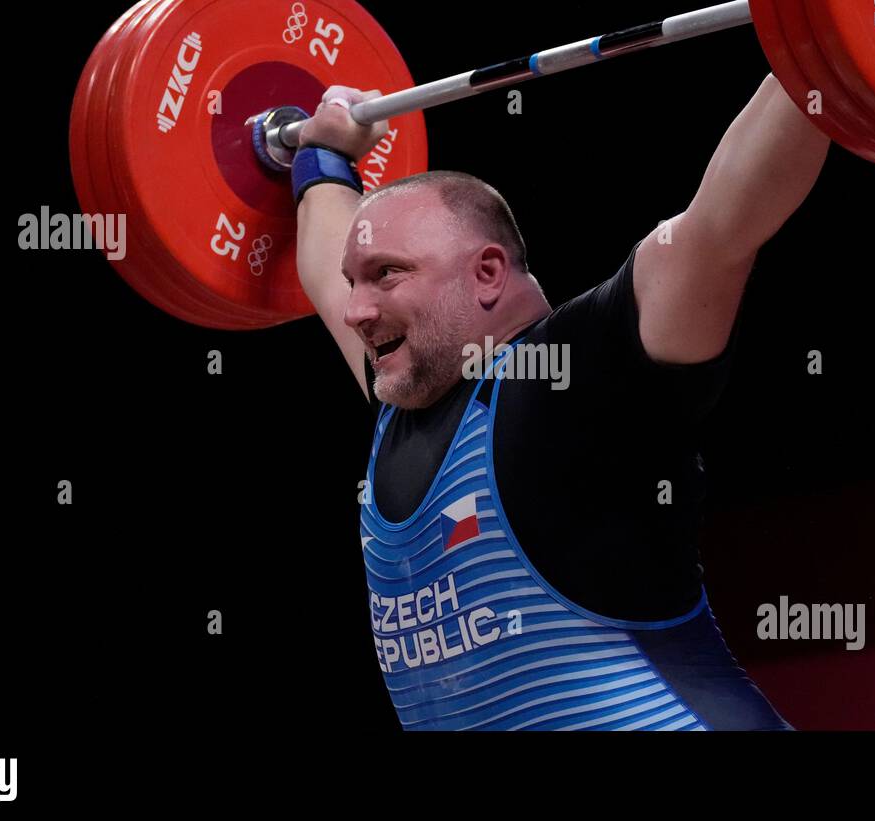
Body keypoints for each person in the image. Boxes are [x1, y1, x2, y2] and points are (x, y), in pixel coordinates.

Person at [294, 76, 829, 730]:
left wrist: (817, 58)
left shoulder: (575, 382)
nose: (354, 310)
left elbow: (718, 229)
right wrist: (319, 156)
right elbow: (325, 261)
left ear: (487, 273)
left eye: (385, 274)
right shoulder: (400, 395)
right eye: (355, 281)